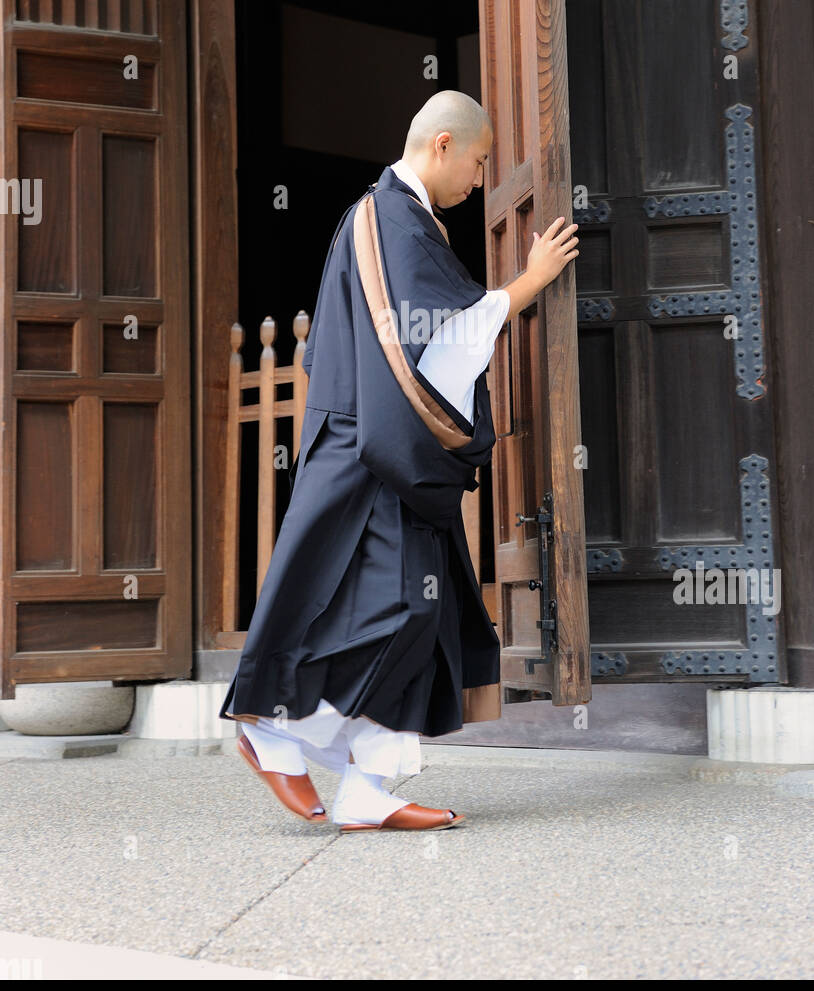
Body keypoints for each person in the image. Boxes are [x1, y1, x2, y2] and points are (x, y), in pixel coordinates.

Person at [218, 90, 579, 832]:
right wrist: (526, 285)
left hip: (367, 446)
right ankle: (275, 729)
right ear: (441, 145)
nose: (479, 180)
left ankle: (365, 787)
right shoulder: (392, 217)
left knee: (417, 611)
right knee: (405, 608)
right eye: (478, 162)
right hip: (373, 456)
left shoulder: (381, 218)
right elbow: (436, 340)